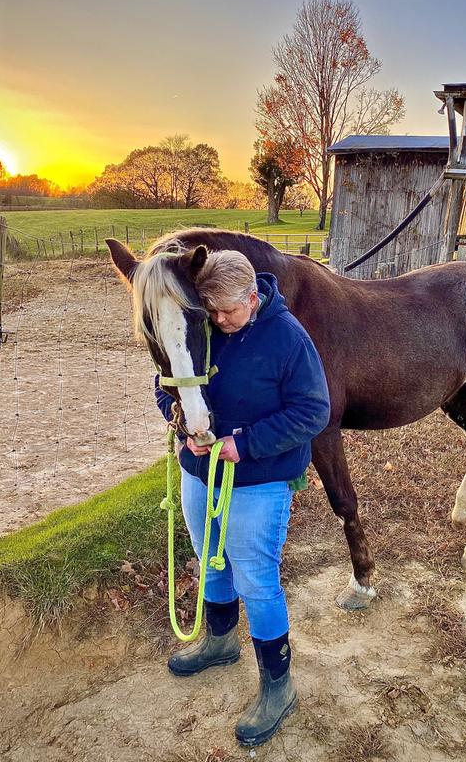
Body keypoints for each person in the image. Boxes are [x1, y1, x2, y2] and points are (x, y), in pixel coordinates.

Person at [154, 249, 330, 746]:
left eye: (229, 311)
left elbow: (313, 411)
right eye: (211, 312)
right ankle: (220, 639)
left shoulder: (289, 339)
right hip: (198, 472)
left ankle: (279, 685)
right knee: (211, 560)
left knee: (257, 580)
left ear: (254, 298)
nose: (220, 320)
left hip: (259, 481)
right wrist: (181, 421)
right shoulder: (204, 324)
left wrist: (244, 444)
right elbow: (165, 381)